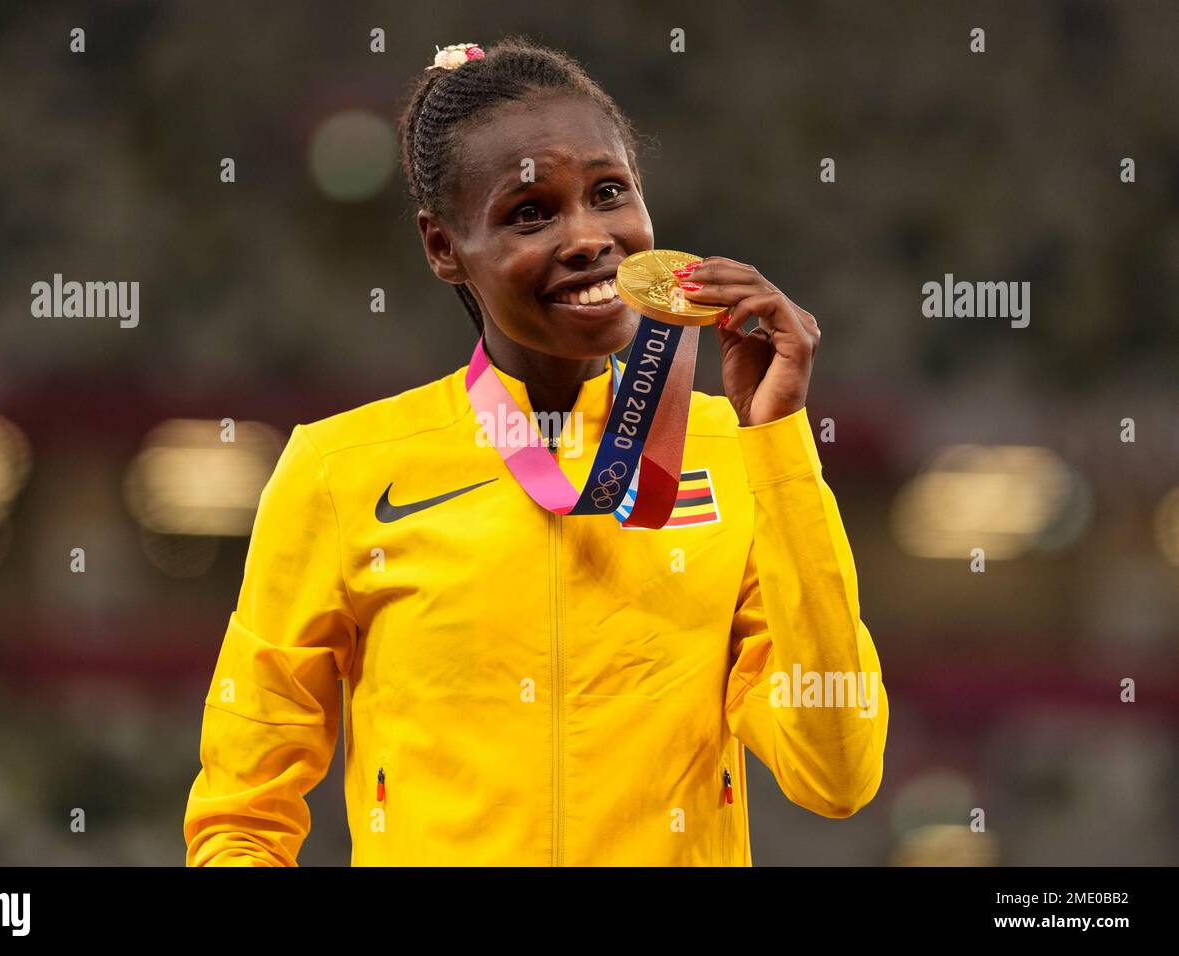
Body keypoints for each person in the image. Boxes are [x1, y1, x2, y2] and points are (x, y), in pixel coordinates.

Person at [183, 36, 888, 866]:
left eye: (609, 192)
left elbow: (835, 773)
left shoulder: (734, 457)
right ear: (444, 248)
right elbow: (241, 820)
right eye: (531, 212)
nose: (589, 237)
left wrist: (777, 441)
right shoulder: (342, 472)